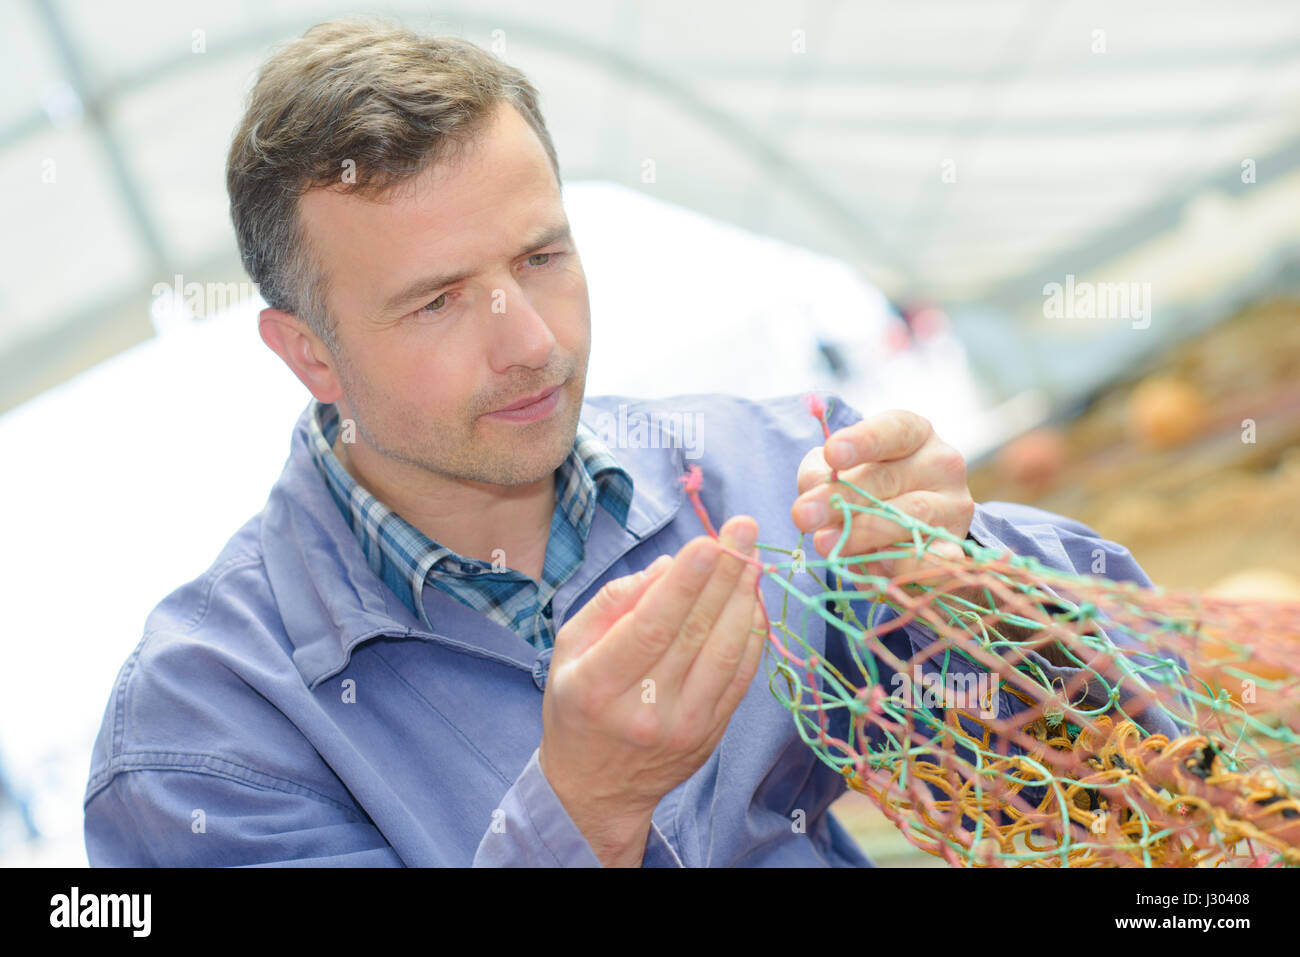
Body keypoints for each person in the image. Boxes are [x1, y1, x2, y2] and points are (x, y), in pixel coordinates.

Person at [83, 19, 1161, 867]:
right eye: (438, 303)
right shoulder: (201, 738)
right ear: (309, 354)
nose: (531, 343)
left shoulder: (775, 479)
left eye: (542, 256)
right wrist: (582, 815)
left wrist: (968, 597)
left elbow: (1104, 776)